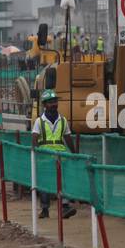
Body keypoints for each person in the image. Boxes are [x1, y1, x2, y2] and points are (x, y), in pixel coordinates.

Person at [31, 90, 76, 220]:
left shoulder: (63, 120)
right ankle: (45, 209)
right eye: (51, 102)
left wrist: (74, 154)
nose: (54, 104)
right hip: (45, 157)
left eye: (55, 101)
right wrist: (35, 152)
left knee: (63, 181)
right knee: (45, 183)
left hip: (61, 157)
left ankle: (65, 206)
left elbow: (68, 138)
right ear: (45, 105)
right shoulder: (40, 121)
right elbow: (34, 138)